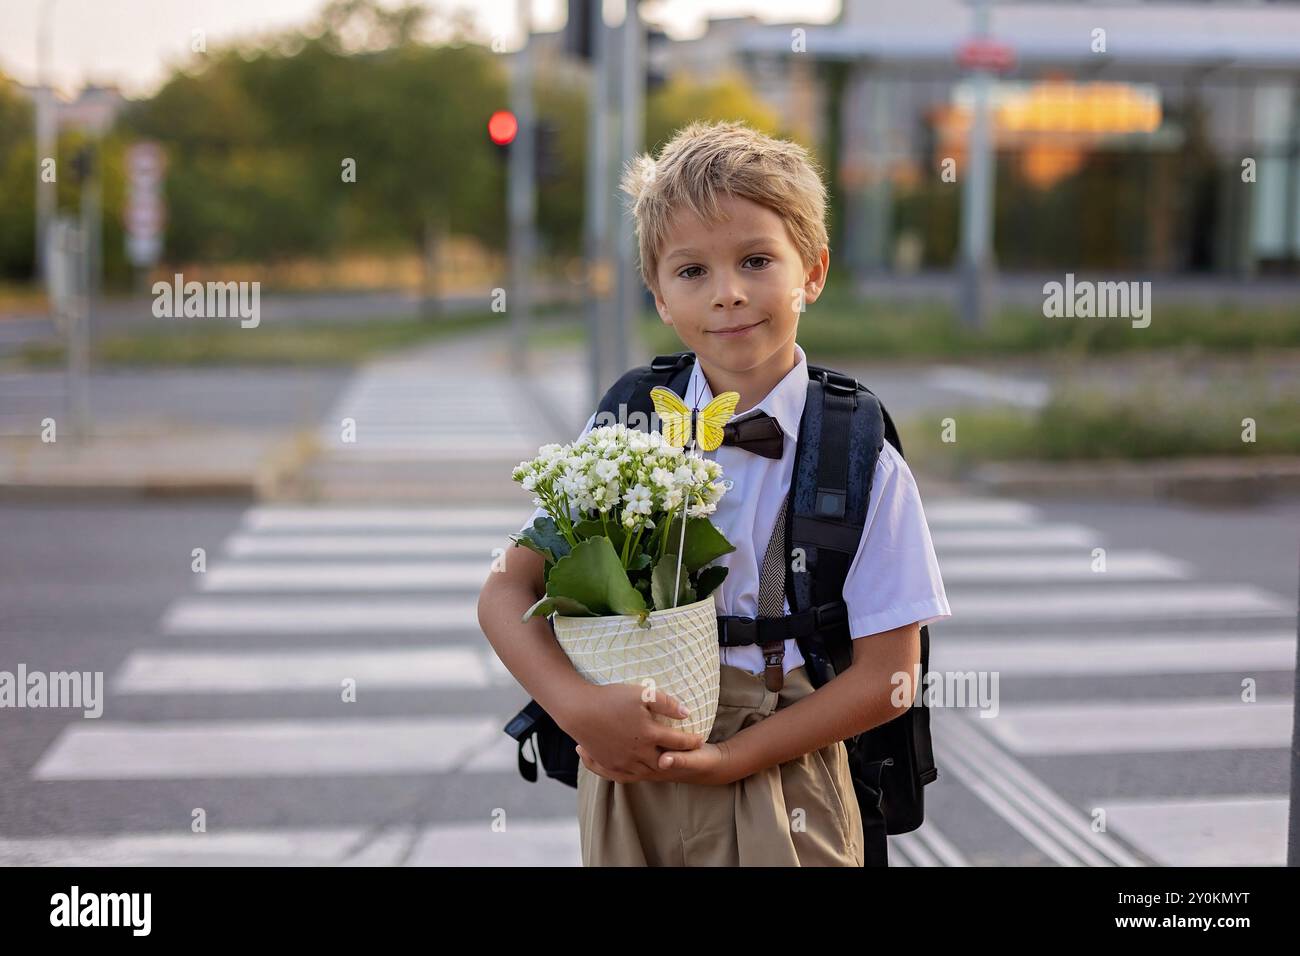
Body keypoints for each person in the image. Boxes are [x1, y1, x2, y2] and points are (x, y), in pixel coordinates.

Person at [478, 120, 952, 866]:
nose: (728, 294)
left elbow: (891, 679)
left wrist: (737, 759)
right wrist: (579, 709)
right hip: (630, 756)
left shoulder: (858, 452)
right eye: (692, 271)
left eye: (757, 260)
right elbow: (505, 593)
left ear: (814, 273)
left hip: (787, 766)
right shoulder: (630, 424)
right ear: (659, 297)